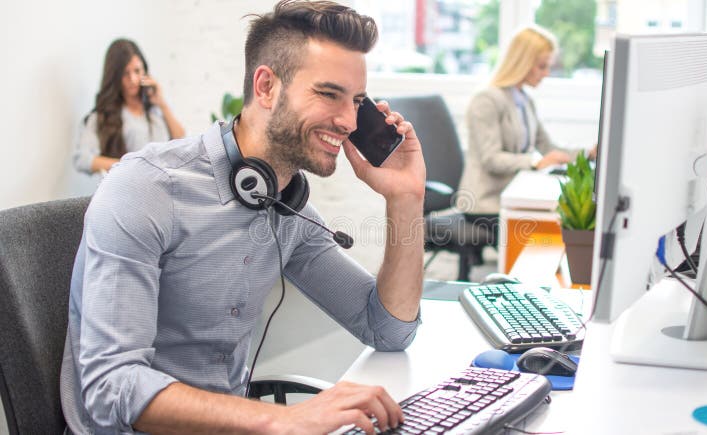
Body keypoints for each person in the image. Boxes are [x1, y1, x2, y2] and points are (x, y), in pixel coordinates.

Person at [60, 2, 425, 434]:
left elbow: (388, 330)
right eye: (329, 94)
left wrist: (406, 200)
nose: (347, 121)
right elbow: (111, 388)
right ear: (267, 86)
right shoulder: (146, 189)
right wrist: (281, 420)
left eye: (357, 102)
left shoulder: (286, 209)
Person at [457, 26, 595, 230]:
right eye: (541, 66)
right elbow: (491, 158)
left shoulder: (524, 101)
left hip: (512, 195)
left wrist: (588, 154)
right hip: (485, 204)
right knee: (550, 227)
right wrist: (535, 163)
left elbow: (549, 148)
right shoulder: (486, 100)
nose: (546, 73)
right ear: (523, 63)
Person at [73, 38, 185, 174]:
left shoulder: (156, 110)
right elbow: (82, 160)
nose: (132, 79)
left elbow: (181, 143)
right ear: (115, 77)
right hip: (128, 189)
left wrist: (162, 104)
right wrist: (130, 165)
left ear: (145, 72)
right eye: (126, 74)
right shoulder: (102, 116)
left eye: (137, 71)